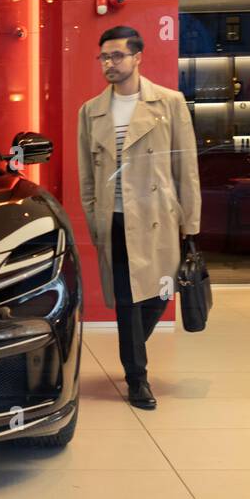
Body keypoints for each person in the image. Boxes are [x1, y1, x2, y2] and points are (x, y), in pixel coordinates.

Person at [78, 26, 201, 410]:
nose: (109, 64)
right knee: (129, 300)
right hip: (114, 220)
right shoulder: (91, 110)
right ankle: (137, 377)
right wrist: (93, 220)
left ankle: (133, 349)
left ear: (137, 57)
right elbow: (87, 176)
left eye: (117, 56)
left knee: (161, 293)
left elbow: (187, 167)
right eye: (103, 57)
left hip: (159, 218)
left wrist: (191, 226)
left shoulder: (169, 103)